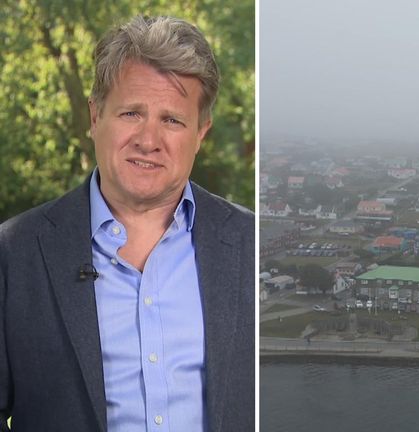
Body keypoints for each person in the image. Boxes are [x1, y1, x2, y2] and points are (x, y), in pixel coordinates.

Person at [0, 16, 254, 431]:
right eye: (132, 113)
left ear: (201, 132)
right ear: (96, 115)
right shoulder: (15, 253)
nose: (148, 139)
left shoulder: (252, 245)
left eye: (172, 120)